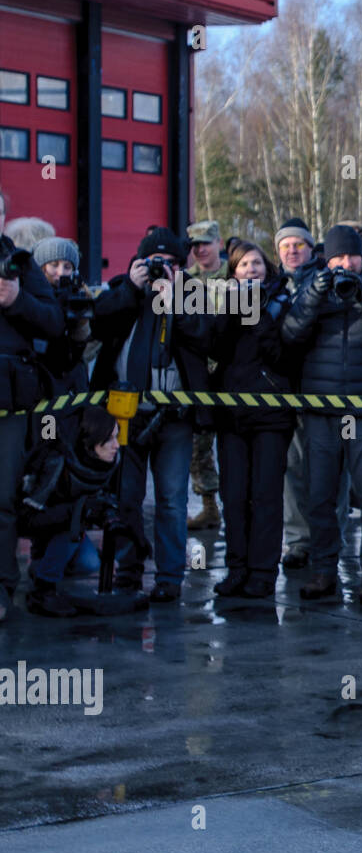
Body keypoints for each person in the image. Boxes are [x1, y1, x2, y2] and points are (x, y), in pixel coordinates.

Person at [280, 224, 362, 605]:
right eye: (338, 257)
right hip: (321, 412)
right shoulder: (312, 294)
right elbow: (289, 336)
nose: (346, 263)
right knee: (320, 497)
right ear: (327, 259)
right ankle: (323, 572)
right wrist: (313, 298)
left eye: (352, 256)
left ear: (361, 257)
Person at [90, 226, 214, 603]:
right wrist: (132, 287)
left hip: (173, 416)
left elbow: (208, 338)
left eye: (172, 263)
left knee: (172, 500)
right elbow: (99, 321)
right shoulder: (123, 290)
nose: (163, 270)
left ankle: (170, 576)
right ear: (141, 262)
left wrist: (177, 299)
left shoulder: (192, 295)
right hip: (125, 416)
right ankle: (128, 570)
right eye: (156, 263)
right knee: (125, 497)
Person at [210, 240, 298, 598]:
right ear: (233, 273)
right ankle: (237, 568)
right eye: (243, 265)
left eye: (257, 263)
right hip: (231, 414)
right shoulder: (221, 302)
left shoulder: (283, 302)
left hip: (272, 415)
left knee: (265, 496)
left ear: (268, 268)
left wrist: (259, 314)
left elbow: (285, 357)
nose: (251, 270)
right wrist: (232, 310)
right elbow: (213, 349)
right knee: (233, 496)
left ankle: (263, 572)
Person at [0, 186, 65, 622]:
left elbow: (54, 322)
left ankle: (3, 590)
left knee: (2, 503)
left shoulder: (19, 265)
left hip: (9, 407)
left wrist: (15, 299)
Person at [19, 406, 121, 617]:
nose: (116, 445)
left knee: (89, 562)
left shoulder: (108, 462)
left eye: (116, 437)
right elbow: (25, 518)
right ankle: (43, 589)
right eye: (110, 439)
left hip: (68, 527)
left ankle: (45, 566)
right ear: (93, 441)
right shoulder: (56, 462)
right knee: (75, 523)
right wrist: (77, 511)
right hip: (47, 525)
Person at [274, 217, 324, 570]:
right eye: (285, 246)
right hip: (284, 395)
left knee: (327, 474)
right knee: (292, 473)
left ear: (311, 249)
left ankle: (324, 541)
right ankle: (298, 542)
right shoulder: (273, 286)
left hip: (323, 393)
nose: (292, 251)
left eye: (299, 245)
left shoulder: (327, 281)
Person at [185, 220, 226, 533]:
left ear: (218, 243)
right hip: (200, 375)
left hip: (230, 373)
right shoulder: (187, 281)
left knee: (235, 446)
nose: (200, 249)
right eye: (195, 245)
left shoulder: (234, 275)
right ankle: (210, 506)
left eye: (205, 243)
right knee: (199, 447)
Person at [31, 237, 92, 397]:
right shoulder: (29, 297)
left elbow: (82, 348)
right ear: (41, 268)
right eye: (54, 265)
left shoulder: (80, 294)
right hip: (39, 378)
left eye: (67, 266)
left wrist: (81, 320)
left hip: (72, 380)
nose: (61, 272)